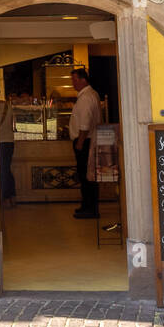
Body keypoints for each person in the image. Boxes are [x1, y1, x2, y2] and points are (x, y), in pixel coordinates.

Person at [68, 67, 101, 219]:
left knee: (86, 176)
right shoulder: (90, 94)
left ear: (83, 80)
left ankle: (89, 208)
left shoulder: (86, 97)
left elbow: (85, 123)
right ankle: (87, 206)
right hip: (88, 140)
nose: (73, 83)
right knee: (87, 175)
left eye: (75, 80)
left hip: (85, 141)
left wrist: (80, 142)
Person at [0, 90, 17, 209]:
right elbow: (12, 124)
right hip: (9, 141)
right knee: (6, 169)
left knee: (2, 171)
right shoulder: (7, 105)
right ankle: (12, 197)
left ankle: (5, 198)